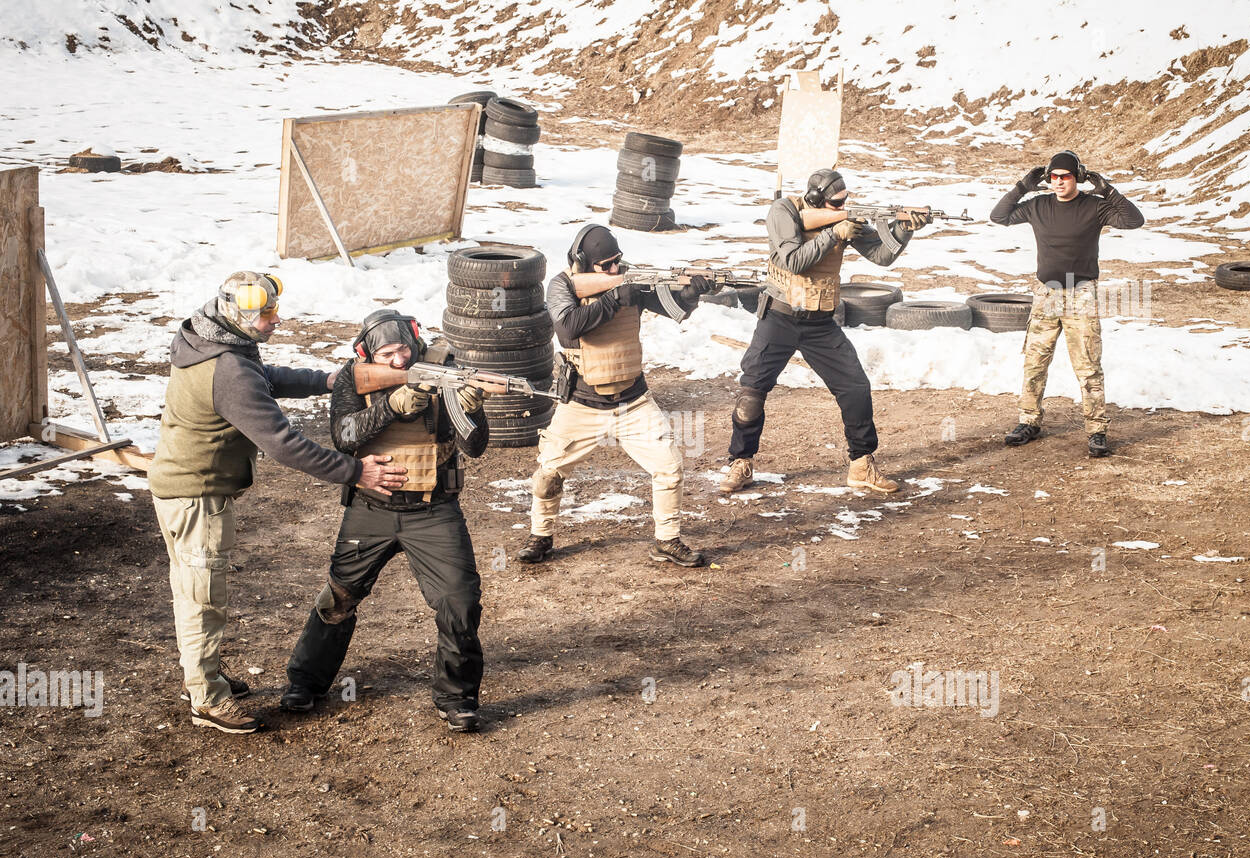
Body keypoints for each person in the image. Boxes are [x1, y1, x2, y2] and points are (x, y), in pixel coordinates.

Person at [149, 272, 406, 734]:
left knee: (192, 590)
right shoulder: (226, 368)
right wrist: (356, 471)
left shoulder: (210, 339)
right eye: (266, 314)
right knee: (203, 600)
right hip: (197, 497)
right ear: (241, 316)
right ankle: (206, 699)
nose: (275, 320)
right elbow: (284, 444)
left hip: (181, 488)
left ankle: (201, 677)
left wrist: (328, 380)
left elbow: (264, 378)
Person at [281, 310, 490, 732]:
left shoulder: (445, 369)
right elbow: (343, 436)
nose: (398, 362)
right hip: (370, 508)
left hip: (434, 508)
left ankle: (457, 697)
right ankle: (305, 682)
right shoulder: (352, 377)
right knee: (339, 596)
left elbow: (477, 446)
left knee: (460, 602)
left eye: (404, 351)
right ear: (367, 354)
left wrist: (472, 410)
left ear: (417, 343)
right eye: (387, 354)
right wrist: (391, 407)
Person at [719, 168, 930, 495]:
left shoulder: (844, 218)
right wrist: (835, 233)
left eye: (845, 202)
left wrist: (904, 229)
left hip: (819, 322)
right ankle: (741, 461)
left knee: (856, 387)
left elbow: (881, 255)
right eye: (835, 203)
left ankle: (861, 464)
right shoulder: (784, 212)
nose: (842, 207)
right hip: (779, 315)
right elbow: (792, 261)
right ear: (817, 199)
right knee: (752, 392)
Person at [516, 224, 716, 567]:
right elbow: (568, 328)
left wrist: (692, 292)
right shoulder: (562, 285)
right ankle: (540, 536)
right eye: (605, 265)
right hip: (581, 403)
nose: (613, 270)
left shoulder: (630, 280)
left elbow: (671, 308)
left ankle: (667, 541)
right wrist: (612, 298)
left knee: (670, 466)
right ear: (582, 262)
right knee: (548, 474)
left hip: (633, 401)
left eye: (617, 262)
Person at [990, 150, 1144, 457]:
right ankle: (1029, 421)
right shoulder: (1037, 205)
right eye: (1054, 177)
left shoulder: (1095, 207)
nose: (1059, 182)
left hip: (1080, 295)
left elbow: (1134, 220)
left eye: (1066, 176)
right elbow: (999, 216)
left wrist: (1108, 191)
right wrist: (1022, 187)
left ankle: (1097, 430)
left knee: (1087, 366)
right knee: (1035, 362)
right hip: (1046, 295)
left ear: (1079, 177)